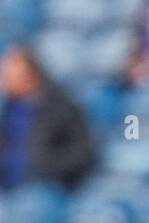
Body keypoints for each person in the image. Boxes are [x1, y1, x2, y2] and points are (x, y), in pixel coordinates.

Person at [0, 46, 95, 190]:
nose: (4, 80)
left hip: (45, 187)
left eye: (9, 75)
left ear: (29, 75)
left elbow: (82, 153)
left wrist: (45, 169)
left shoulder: (62, 108)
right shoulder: (7, 110)